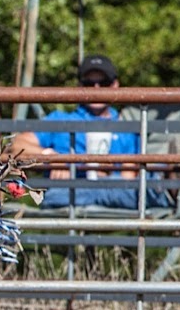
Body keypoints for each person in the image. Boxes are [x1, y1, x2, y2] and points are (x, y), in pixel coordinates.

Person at [11, 54, 169, 209]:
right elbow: (17, 146)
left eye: (103, 83)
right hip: (71, 191)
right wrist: (50, 156)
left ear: (115, 86)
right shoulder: (61, 119)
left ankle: (173, 183)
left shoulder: (126, 125)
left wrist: (107, 172)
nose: (96, 89)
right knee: (132, 190)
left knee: (132, 183)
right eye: (89, 83)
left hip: (114, 190)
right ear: (80, 87)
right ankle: (168, 190)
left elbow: (130, 176)